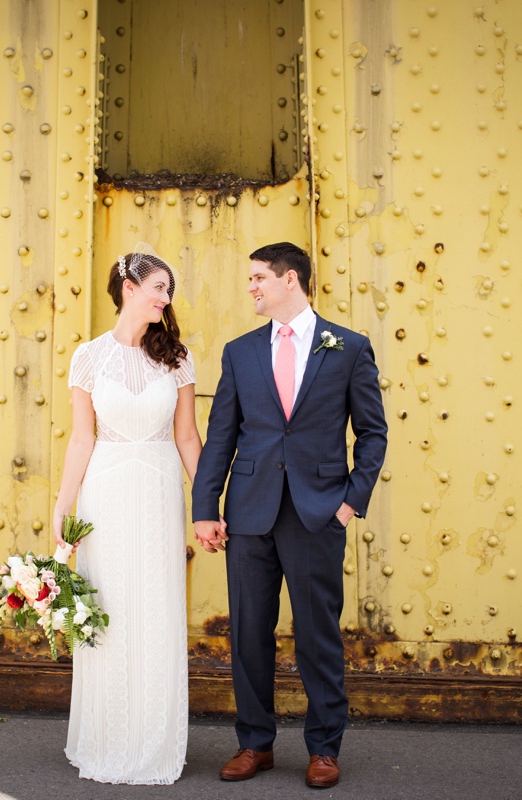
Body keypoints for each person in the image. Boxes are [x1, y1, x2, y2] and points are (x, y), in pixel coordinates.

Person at [192, 242, 388, 789]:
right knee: (248, 633)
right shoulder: (240, 351)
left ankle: (324, 748)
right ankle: (255, 743)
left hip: (318, 514)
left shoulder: (347, 347)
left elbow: (372, 433)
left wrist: (349, 505)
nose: (251, 287)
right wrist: (205, 508)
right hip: (249, 515)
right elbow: (222, 437)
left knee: (317, 636)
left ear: (291, 279)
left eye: (259, 277)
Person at [55, 248, 201, 785]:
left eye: (169, 290)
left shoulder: (178, 356)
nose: (166, 297)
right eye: (159, 287)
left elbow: (187, 437)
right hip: (106, 494)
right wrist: (63, 504)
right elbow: (82, 437)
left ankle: (155, 741)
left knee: (157, 609)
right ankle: (109, 735)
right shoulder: (88, 357)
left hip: (161, 491)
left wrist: (206, 502)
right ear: (129, 287)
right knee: (110, 609)